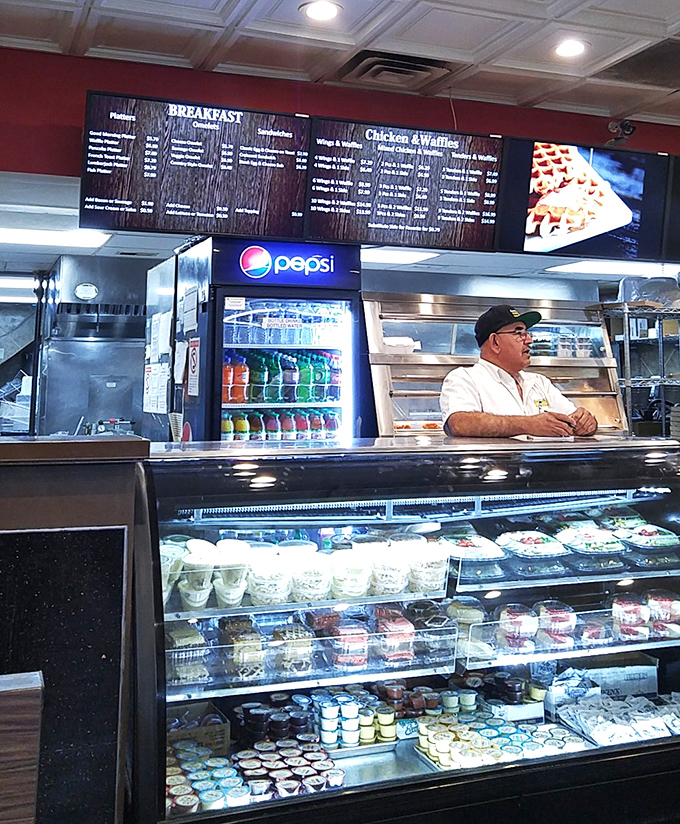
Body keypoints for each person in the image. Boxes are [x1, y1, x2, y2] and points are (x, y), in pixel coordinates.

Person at [440, 304, 598, 438]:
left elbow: (573, 419)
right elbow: (459, 423)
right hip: (493, 469)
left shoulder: (539, 382)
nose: (529, 340)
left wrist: (587, 423)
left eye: (527, 333)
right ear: (495, 342)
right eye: (518, 333)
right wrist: (529, 424)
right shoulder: (464, 378)